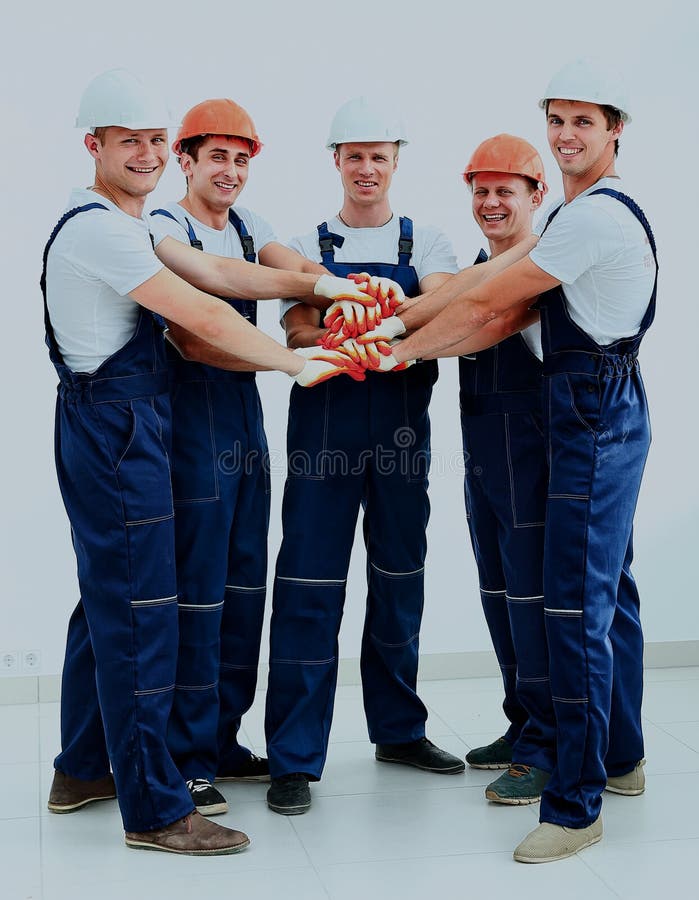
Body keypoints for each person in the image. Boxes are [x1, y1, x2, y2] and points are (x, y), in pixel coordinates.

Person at [44, 69, 388, 854]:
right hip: (118, 427)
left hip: (122, 422)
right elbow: (198, 313)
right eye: (130, 141)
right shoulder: (102, 227)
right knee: (143, 616)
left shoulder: (125, 223)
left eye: (153, 142)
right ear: (93, 145)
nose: (146, 154)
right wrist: (294, 362)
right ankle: (157, 807)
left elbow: (220, 274)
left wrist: (321, 281)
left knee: (114, 605)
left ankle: (85, 766)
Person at [377, 57, 657, 862]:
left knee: (570, 607)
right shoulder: (572, 216)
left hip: (590, 418)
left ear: (613, 131)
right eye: (557, 120)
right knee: (610, 596)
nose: (566, 135)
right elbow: (476, 294)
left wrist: (387, 349)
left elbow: (485, 303)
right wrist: (392, 326)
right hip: (595, 411)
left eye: (583, 122)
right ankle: (622, 756)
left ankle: (574, 806)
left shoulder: (594, 219)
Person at [263, 96, 464, 817]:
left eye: (379, 155)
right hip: (324, 431)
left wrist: (367, 314)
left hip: (403, 433)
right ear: (336, 162)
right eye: (354, 155)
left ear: (396, 161)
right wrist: (327, 327)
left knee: (399, 575)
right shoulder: (302, 242)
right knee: (308, 585)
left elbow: (440, 304)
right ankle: (291, 757)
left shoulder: (429, 243)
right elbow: (293, 324)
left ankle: (399, 732)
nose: (367, 168)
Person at [148, 98, 329, 817]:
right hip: (192, 420)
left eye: (241, 158)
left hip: (245, 422)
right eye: (215, 156)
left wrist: (344, 291)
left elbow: (289, 264)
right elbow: (204, 321)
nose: (229, 171)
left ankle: (221, 739)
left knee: (244, 586)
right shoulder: (166, 228)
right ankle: (186, 758)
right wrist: (296, 334)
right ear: (184, 160)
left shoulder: (250, 227)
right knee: (198, 593)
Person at [457, 135, 556, 805]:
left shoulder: (537, 270)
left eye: (505, 191)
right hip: (480, 462)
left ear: (535, 198)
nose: (490, 202)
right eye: (481, 190)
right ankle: (521, 725)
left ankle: (546, 744)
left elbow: (483, 323)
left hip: (526, 461)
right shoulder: (472, 266)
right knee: (498, 599)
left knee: (530, 603)